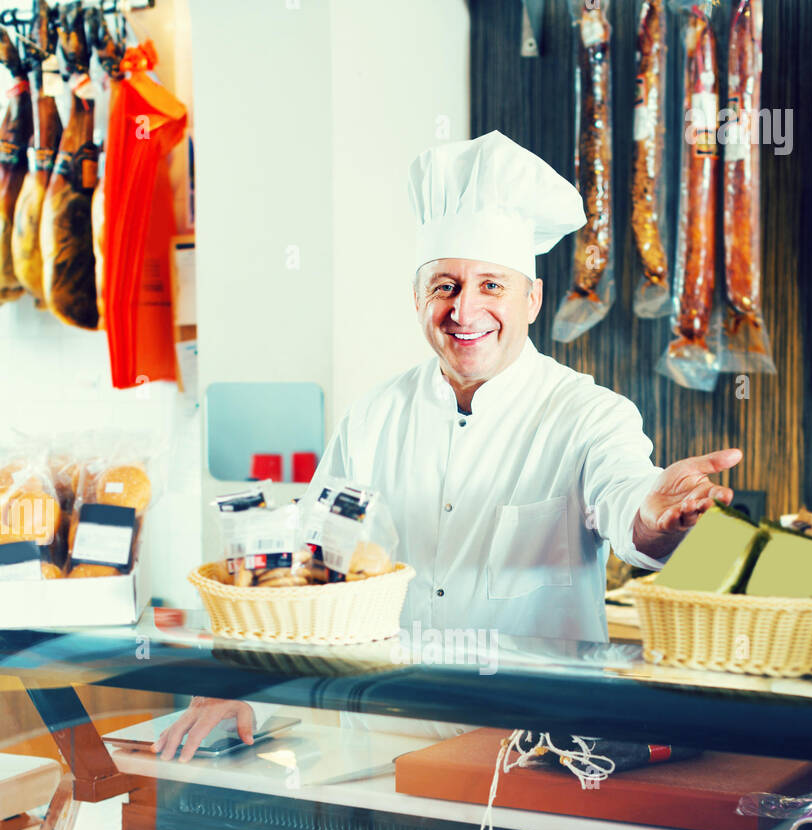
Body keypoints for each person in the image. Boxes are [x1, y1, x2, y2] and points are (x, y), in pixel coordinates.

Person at [156, 132, 739, 763]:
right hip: (379, 750)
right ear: (417, 299)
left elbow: (626, 499)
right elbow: (316, 569)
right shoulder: (372, 419)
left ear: (533, 300)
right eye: (445, 286)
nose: (467, 309)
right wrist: (240, 682)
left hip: (532, 755)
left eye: (493, 285)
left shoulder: (588, 414)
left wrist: (653, 518)